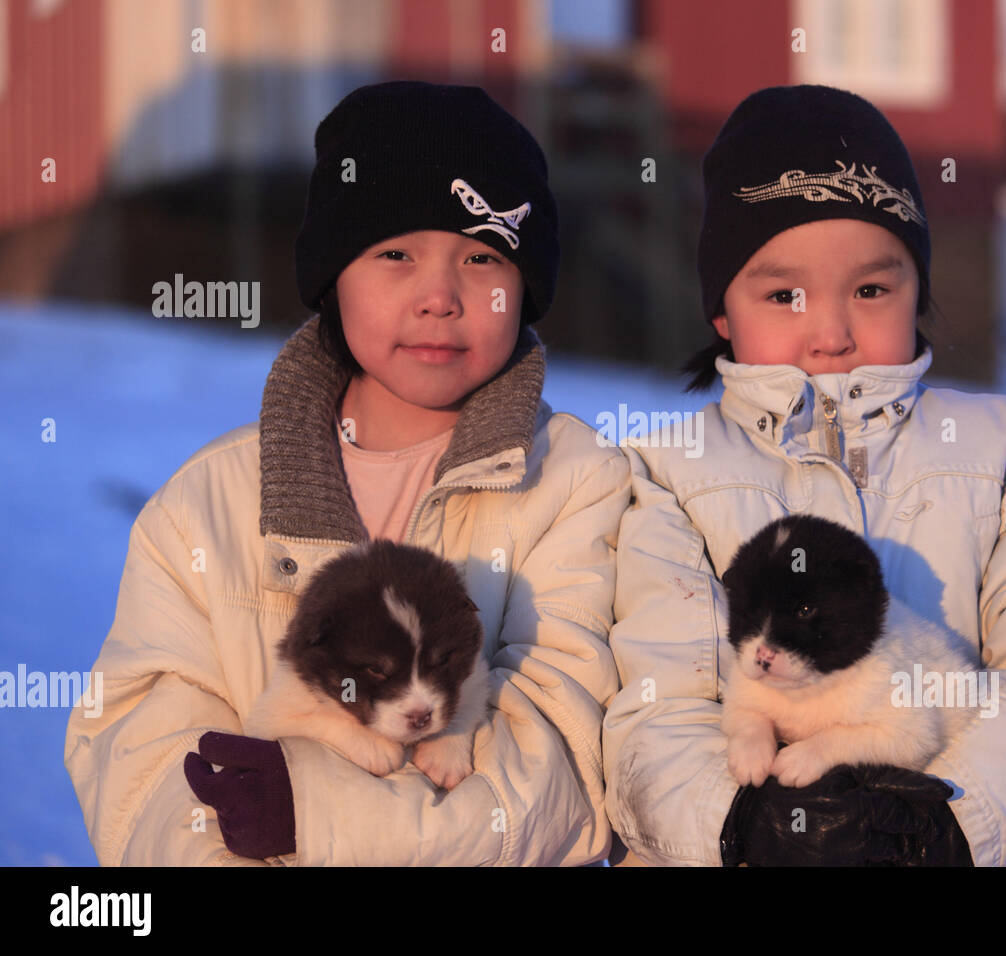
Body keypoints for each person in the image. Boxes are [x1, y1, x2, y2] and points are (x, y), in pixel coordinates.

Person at [64, 81, 631, 866]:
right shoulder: (212, 502)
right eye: (394, 253)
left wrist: (321, 816)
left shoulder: (576, 484)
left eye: (482, 256)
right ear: (335, 276)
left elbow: (571, 759)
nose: (439, 296)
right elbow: (139, 748)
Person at [601, 85, 1006, 866]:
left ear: (917, 289)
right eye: (783, 293)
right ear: (721, 310)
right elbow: (651, 709)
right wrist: (734, 830)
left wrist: (953, 821)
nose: (830, 332)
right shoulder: (662, 478)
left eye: (870, 289)